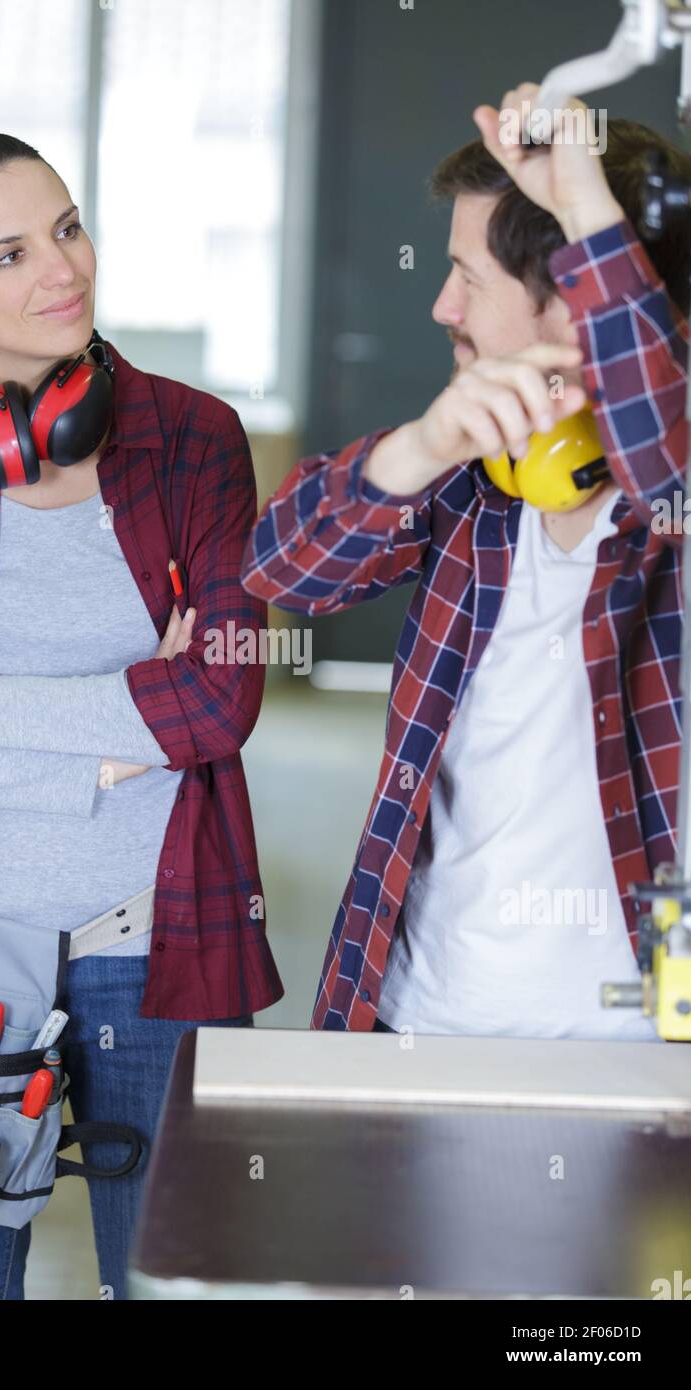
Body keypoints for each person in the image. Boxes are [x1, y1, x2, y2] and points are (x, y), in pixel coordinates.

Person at [0, 130, 283, 1299]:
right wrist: (105, 759)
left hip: (161, 930)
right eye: (13, 252)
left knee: (175, 1286)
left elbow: (219, 696)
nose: (62, 269)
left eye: (68, 228)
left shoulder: (193, 438)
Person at [241, 83, 690, 1040]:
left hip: (642, 1051)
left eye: (469, 277)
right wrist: (414, 451)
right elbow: (280, 570)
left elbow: (666, 448)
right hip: (417, 1020)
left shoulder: (670, 494)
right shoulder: (475, 476)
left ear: (577, 306)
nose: (442, 303)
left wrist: (587, 213)